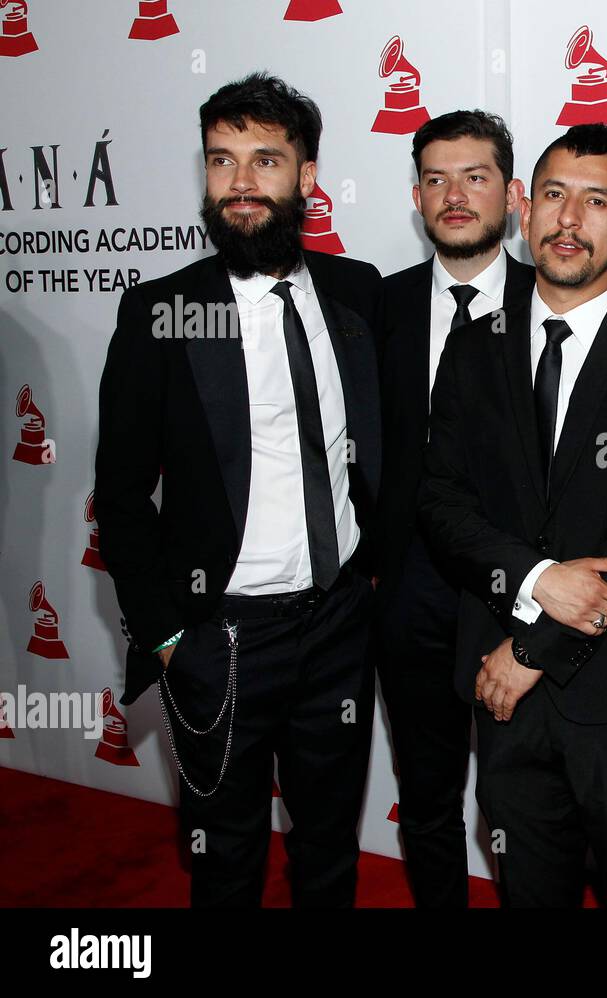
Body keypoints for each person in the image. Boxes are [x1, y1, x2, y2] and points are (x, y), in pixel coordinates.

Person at [94, 73, 384, 907]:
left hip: (337, 623)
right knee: (225, 862)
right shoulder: (159, 312)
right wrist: (167, 639)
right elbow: (118, 498)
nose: (243, 182)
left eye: (266, 159)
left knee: (329, 852)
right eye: (223, 161)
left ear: (309, 176)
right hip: (217, 637)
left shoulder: (356, 291)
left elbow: (381, 453)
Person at [418, 124, 607, 906]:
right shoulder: (473, 345)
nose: (568, 219)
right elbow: (441, 501)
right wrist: (536, 579)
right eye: (552, 195)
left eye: (596, 200)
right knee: (528, 890)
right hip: (502, 693)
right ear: (523, 209)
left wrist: (534, 647)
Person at [374, 110, 533, 908]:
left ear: (512, 194)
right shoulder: (379, 307)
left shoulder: (559, 302)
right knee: (429, 799)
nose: (455, 195)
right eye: (437, 179)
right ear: (417, 197)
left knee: (521, 803)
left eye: (475, 177)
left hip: (522, 597)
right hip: (408, 595)